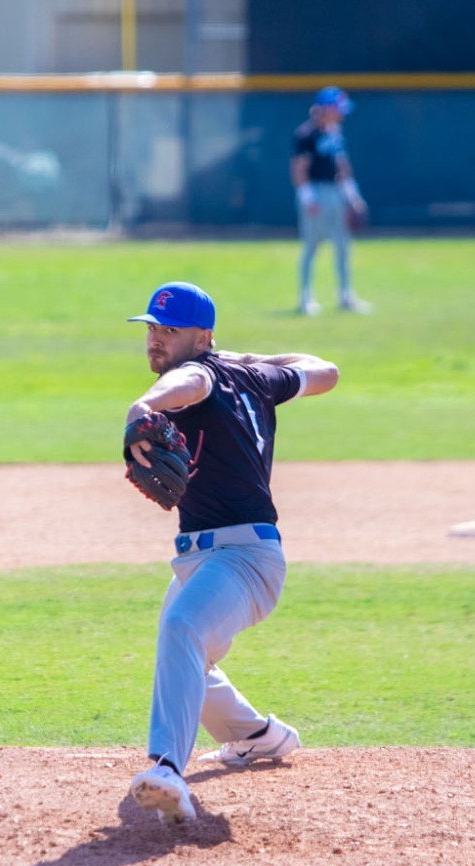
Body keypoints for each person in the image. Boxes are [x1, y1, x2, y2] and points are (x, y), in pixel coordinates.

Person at [120, 281, 340, 826]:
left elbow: (189, 381)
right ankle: (258, 735)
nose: (156, 339)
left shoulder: (193, 377)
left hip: (245, 559)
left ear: (203, 336)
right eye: (151, 328)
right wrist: (246, 362)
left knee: (182, 630)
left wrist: (143, 407)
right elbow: (325, 371)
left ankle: (168, 768)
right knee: (185, 650)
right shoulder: (254, 376)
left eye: (169, 331)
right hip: (206, 557)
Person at [290, 86, 371, 316]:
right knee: (312, 246)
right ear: (326, 108)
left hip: (336, 192)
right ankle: (305, 297)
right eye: (338, 109)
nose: (341, 114)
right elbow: (299, 168)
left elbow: (342, 165)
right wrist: (307, 198)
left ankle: (346, 295)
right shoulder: (306, 134)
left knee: (343, 245)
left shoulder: (335, 132)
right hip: (316, 192)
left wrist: (353, 196)